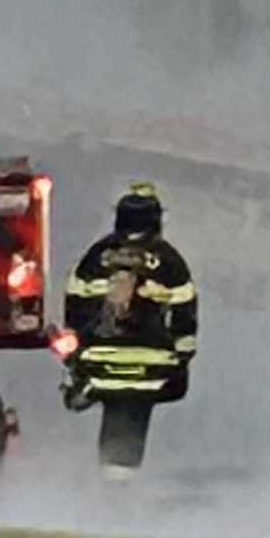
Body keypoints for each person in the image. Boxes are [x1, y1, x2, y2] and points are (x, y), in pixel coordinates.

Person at [62, 182, 197, 478]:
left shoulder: (96, 257)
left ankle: (110, 480)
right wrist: (183, 356)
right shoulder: (170, 261)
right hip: (152, 371)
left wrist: (77, 353)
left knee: (113, 409)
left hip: (99, 366)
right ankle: (121, 484)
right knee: (134, 414)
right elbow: (184, 314)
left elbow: (75, 304)